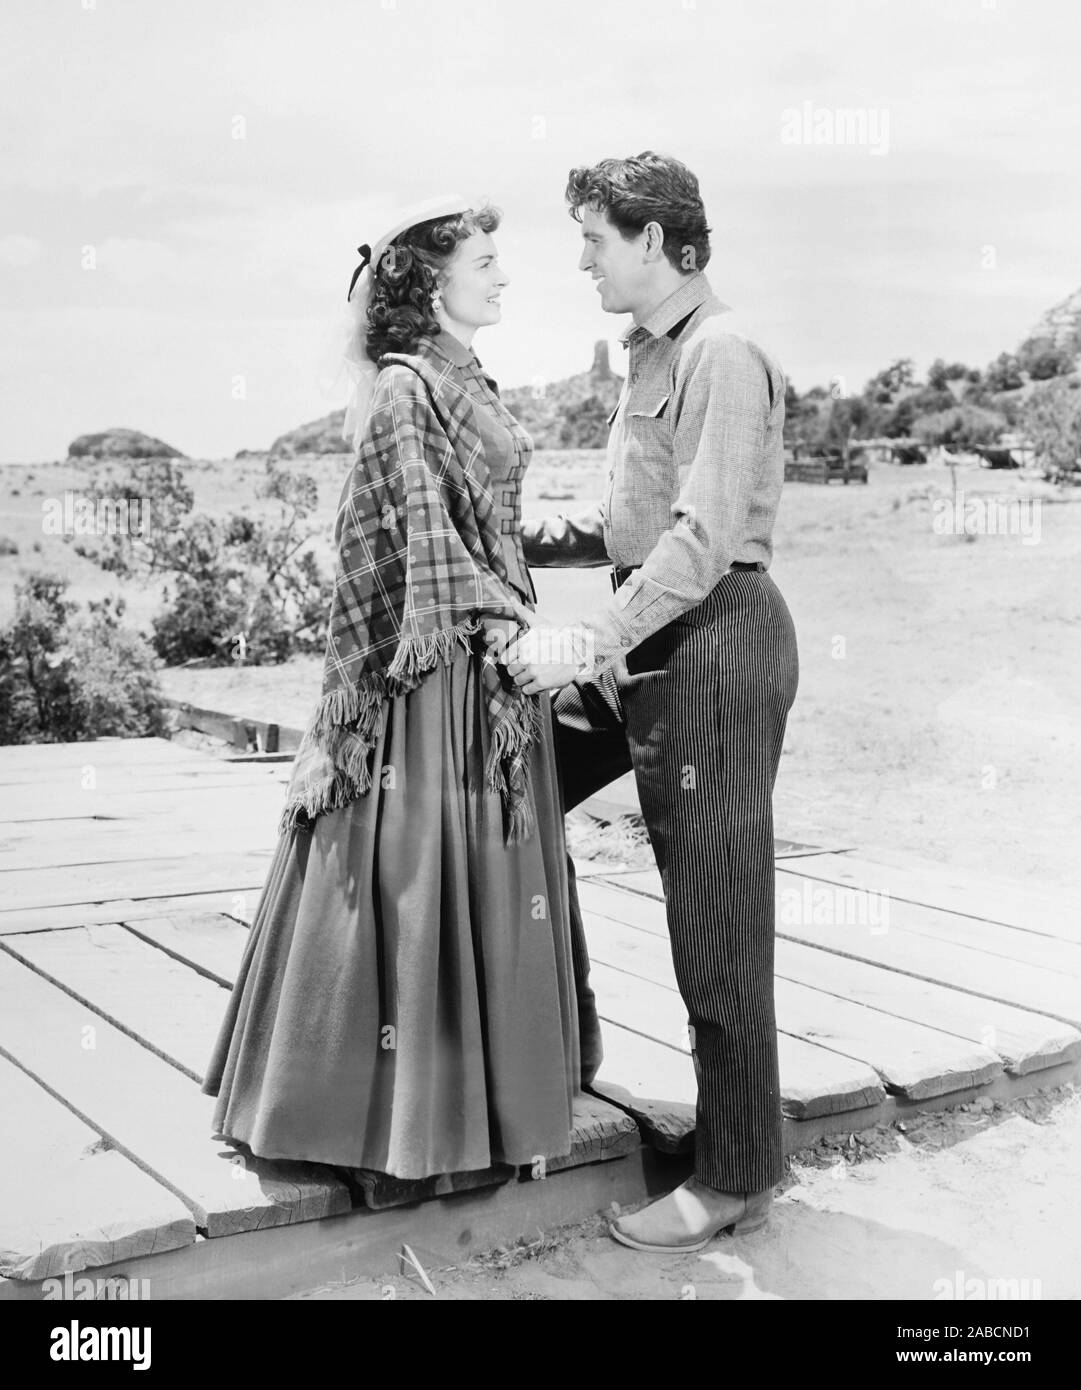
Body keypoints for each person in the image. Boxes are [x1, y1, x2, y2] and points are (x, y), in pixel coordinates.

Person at [202, 195, 595, 1181]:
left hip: (489, 667)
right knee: (413, 872)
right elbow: (393, 544)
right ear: (429, 277)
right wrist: (502, 620)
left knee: (480, 869)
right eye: (487, 260)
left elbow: (490, 524)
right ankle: (390, 1115)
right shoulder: (402, 388)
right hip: (434, 678)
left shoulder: (467, 381)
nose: (505, 275)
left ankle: (489, 1101)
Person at [503, 153, 800, 1252]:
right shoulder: (650, 356)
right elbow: (634, 520)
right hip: (656, 635)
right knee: (513, 768)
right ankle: (553, 1045)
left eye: (595, 239)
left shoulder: (722, 353)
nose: (580, 259)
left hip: (714, 642)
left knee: (713, 916)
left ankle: (733, 1176)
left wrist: (588, 640)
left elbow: (699, 539)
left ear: (660, 244)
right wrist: (518, 535)